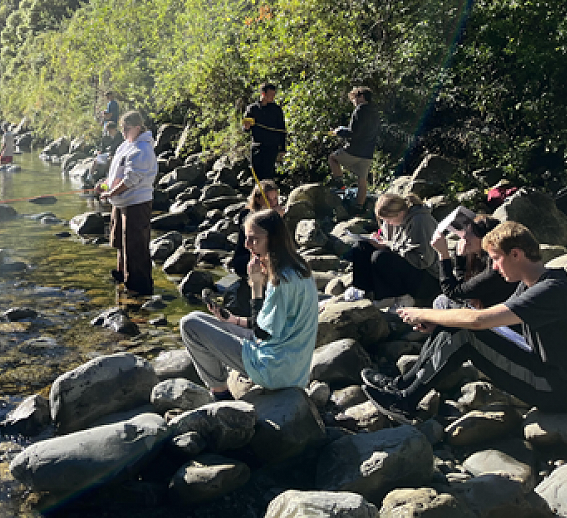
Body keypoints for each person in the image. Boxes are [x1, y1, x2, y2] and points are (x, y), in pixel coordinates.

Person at [363, 222, 567, 423]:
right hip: (544, 369)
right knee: (457, 321)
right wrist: (440, 323)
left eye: (496, 259)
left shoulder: (551, 290)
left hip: (560, 390)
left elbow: (479, 321)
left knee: (466, 333)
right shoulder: (534, 283)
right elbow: (490, 320)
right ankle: (401, 386)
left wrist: (424, 313)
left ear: (516, 254)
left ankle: (405, 402)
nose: (494, 267)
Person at [179, 209, 318, 397]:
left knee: (189, 325)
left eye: (254, 239)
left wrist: (256, 286)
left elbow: (262, 332)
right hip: (292, 366)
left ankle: (220, 393)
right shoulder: (300, 269)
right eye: (246, 238)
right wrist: (234, 320)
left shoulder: (282, 281)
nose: (247, 245)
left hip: (273, 370)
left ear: (273, 239)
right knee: (197, 317)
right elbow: (275, 326)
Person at [99, 111, 158, 296]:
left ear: (137, 128)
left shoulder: (143, 149)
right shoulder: (126, 145)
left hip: (136, 203)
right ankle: (123, 276)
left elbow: (131, 179)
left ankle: (139, 287)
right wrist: (106, 185)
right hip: (121, 201)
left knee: (135, 245)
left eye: (126, 129)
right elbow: (117, 172)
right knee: (119, 240)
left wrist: (111, 193)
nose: (123, 132)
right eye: (122, 128)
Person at [347, 193, 441, 307]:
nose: (387, 223)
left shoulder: (420, 220)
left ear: (401, 213)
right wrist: (379, 240)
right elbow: (390, 242)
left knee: (380, 257)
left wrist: (389, 245)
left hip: (428, 278)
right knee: (360, 247)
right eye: (383, 220)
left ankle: (398, 297)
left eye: (388, 220)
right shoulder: (393, 220)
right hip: (407, 265)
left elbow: (424, 260)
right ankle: (363, 290)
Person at [432, 215, 512, 310]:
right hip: (484, 307)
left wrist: (443, 255)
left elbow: (453, 292)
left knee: (441, 303)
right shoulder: (479, 257)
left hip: (496, 315)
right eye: (466, 231)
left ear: (485, 238)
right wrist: (460, 258)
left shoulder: (495, 268)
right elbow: (464, 288)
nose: (465, 236)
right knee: (441, 301)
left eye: (471, 233)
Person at [329, 86, 380, 212]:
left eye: (354, 98)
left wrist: (339, 131)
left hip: (355, 150)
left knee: (333, 158)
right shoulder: (375, 112)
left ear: (361, 96)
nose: (353, 102)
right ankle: (359, 207)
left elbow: (353, 132)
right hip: (368, 153)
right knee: (362, 181)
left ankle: (340, 185)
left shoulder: (360, 110)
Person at [242, 83, 286, 180]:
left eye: (274, 95)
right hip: (257, 146)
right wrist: (246, 127)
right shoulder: (252, 109)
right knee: (256, 175)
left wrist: (283, 148)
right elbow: (245, 128)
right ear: (263, 94)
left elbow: (282, 129)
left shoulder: (276, 110)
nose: (273, 97)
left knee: (268, 174)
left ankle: (268, 195)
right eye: (271, 94)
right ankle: (258, 194)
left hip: (272, 147)